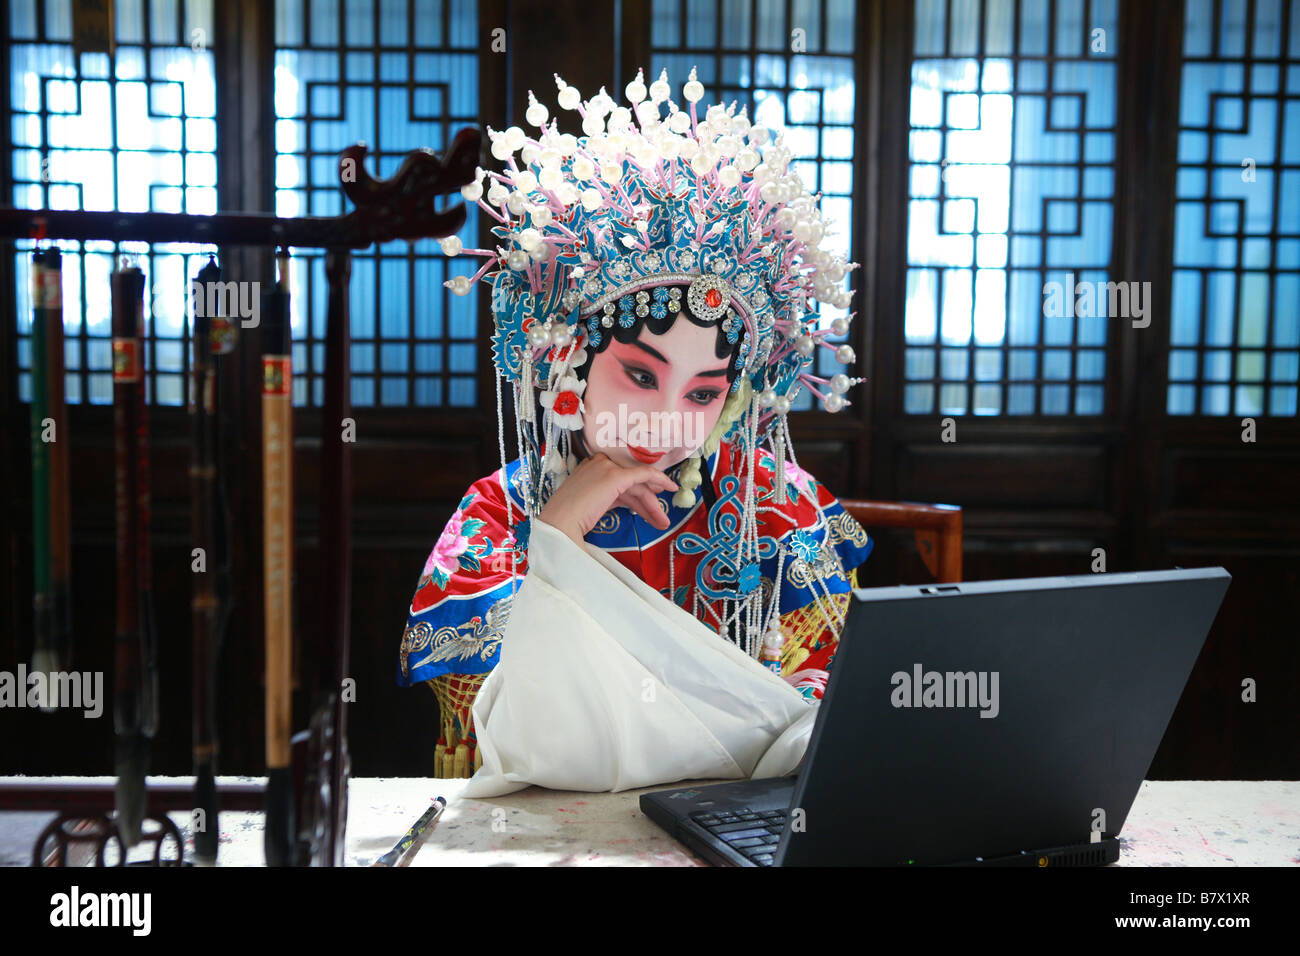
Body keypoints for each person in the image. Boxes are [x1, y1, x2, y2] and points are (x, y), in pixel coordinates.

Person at [396, 68, 872, 789]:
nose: (666, 421)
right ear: (566, 362)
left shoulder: (772, 505)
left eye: (704, 391)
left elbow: (823, 716)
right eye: (641, 376)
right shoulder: (500, 515)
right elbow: (506, 735)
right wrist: (555, 534)